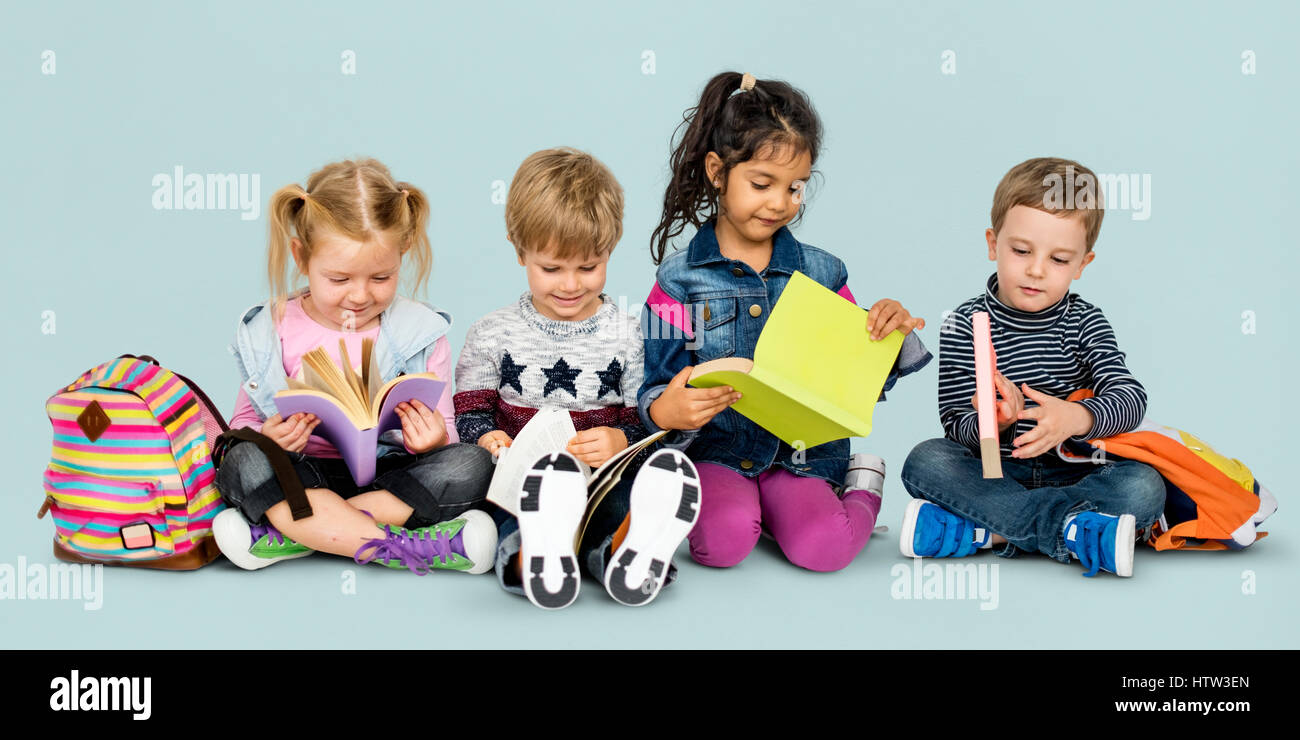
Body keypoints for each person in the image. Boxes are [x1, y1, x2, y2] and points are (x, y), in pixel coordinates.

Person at [639, 72, 931, 572]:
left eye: (794, 187)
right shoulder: (676, 279)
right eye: (761, 184)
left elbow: (854, 381)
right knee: (720, 547)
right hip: (719, 450)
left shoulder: (824, 271)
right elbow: (654, 385)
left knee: (825, 551)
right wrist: (665, 410)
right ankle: (763, 511)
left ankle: (860, 485)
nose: (780, 203)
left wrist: (891, 331)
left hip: (802, 454)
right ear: (717, 171)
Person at [212, 158, 496, 575]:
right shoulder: (271, 329)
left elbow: (449, 431)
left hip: (391, 476)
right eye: (340, 279)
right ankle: (406, 548)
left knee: (472, 463)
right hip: (301, 474)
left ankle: (302, 533)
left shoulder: (421, 332)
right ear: (301, 256)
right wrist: (268, 436)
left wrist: (433, 440)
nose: (360, 296)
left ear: (403, 255)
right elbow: (241, 423)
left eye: (381, 278)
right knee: (242, 461)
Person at [455, 148, 700, 609]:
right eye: (551, 269)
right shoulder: (492, 332)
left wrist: (617, 439)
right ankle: (537, 555)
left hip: (601, 477)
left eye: (588, 267)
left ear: (610, 248)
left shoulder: (629, 335)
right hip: (524, 481)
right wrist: (489, 440)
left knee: (617, 505)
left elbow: (638, 417)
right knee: (515, 516)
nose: (570, 285)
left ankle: (626, 557)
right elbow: (469, 413)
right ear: (518, 248)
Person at [899, 157, 1166, 577]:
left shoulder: (1085, 321)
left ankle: (989, 532)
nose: (1037, 269)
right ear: (993, 243)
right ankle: (1073, 530)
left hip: (1075, 470)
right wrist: (996, 422)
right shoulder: (963, 324)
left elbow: (1131, 399)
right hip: (994, 475)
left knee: (1144, 485)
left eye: (1059, 260)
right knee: (926, 461)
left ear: (1082, 264)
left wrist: (1075, 416)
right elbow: (955, 424)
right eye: (1021, 251)